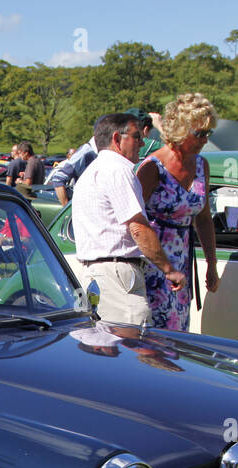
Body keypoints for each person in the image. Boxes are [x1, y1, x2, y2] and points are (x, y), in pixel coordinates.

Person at [71, 112, 185, 330]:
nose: (142, 143)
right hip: (117, 274)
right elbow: (138, 228)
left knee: (107, 350)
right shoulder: (119, 170)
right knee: (132, 346)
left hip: (95, 273)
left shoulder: (92, 171)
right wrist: (169, 270)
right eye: (136, 136)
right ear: (117, 139)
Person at [135, 92, 222, 332]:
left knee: (178, 333)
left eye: (209, 133)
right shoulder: (153, 167)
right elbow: (134, 220)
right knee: (153, 337)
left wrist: (211, 265)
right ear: (180, 130)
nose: (205, 140)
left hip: (183, 261)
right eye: (200, 134)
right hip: (153, 262)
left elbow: (204, 219)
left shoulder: (202, 165)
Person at [47, 132, 99, 205]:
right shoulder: (86, 152)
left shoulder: (100, 152)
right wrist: (67, 207)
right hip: (86, 206)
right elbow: (58, 178)